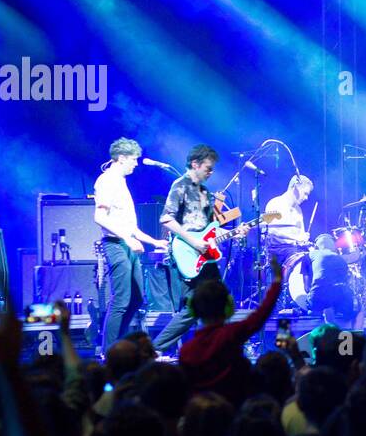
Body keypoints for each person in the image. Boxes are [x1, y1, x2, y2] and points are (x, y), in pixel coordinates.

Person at [93, 137, 167, 355]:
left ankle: (119, 345)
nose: (136, 164)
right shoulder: (106, 181)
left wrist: (153, 241)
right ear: (122, 158)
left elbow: (129, 225)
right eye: (134, 159)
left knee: (136, 298)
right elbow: (100, 217)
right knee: (121, 299)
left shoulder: (120, 181)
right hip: (116, 245)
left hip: (126, 243)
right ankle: (109, 352)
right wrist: (127, 238)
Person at [177, 256, 283, 405]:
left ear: (193, 309)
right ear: (229, 307)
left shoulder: (186, 351)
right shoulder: (230, 335)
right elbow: (260, 316)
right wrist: (277, 281)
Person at [153, 144, 221, 354]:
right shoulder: (180, 185)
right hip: (187, 253)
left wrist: (233, 233)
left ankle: (212, 349)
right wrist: (194, 242)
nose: (211, 173)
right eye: (208, 168)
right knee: (194, 307)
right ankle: (155, 348)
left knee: (217, 300)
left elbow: (209, 229)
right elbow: (166, 218)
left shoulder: (206, 192)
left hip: (205, 256)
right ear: (195, 164)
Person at [263, 174, 314, 269]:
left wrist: (304, 239)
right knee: (304, 260)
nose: (306, 198)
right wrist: (297, 239)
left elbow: (301, 234)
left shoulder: (298, 210)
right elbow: (272, 232)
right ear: (295, 188)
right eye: (305, 193)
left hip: (295, 250)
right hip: (278, 251)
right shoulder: (275, 203)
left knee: (317, 255)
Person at [307, 233, 356, 325]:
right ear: (333, 246)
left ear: (317, 246)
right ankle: (352, 330)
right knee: (356, 307)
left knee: (323, 297)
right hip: (338, 297)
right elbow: (345, 282)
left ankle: (318, 312)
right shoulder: (341, 259)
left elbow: (306, 286)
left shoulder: (311, 254)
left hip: (317, 298)